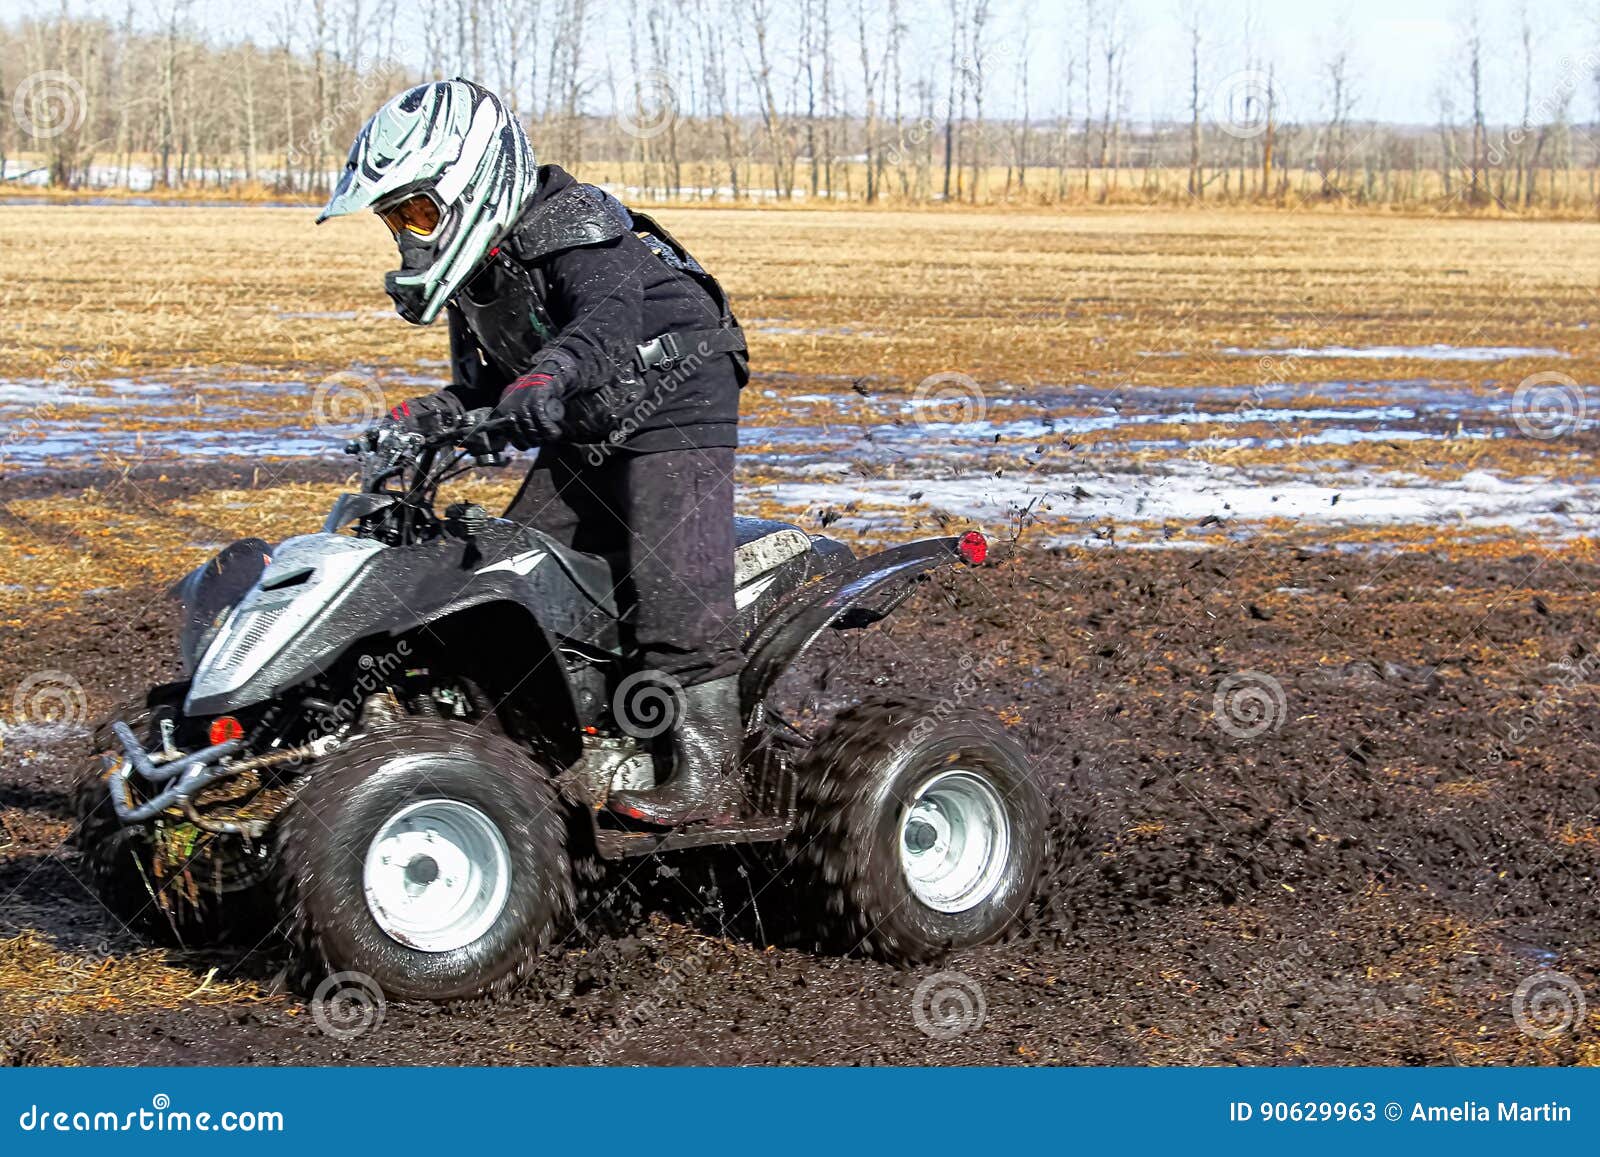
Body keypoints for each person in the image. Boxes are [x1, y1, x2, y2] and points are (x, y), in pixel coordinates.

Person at [317, 78, 748, 825]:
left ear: (475, 180)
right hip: (585, 417)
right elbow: (482, 386)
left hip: (677, 395)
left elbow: (606, 329)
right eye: (399, 222)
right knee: (518, 572)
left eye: (421, 212)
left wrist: (546, 376)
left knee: (672, 584)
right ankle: (578, 745)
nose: (413, 238)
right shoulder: (476, 274)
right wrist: (423, 415)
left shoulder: (578, 223)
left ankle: (710, 768)